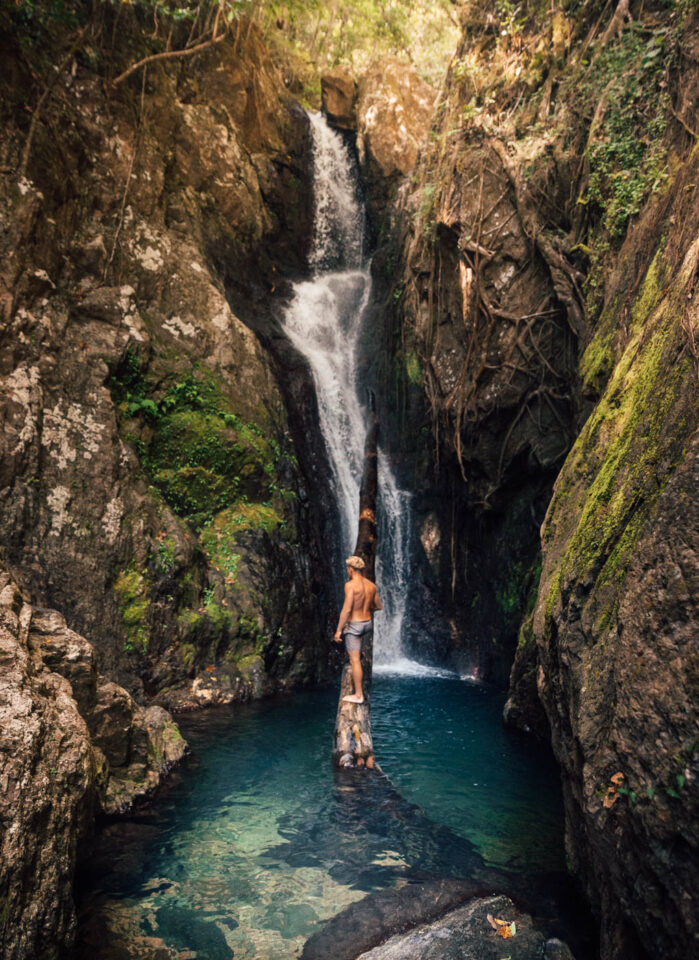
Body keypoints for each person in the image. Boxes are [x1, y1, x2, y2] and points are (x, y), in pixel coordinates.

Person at [333, 555, 382, 704]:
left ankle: (358, 695)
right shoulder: (371, 585)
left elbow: (347, 609)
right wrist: (365, 608)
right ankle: (359, 680)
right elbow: (378, 606)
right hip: (367, 623)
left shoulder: (350, 585)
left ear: (351, 569)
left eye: (347, 569)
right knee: (357, 654)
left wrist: (338, 630)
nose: (347, 571)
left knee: (354, 660)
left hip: (355, 625)